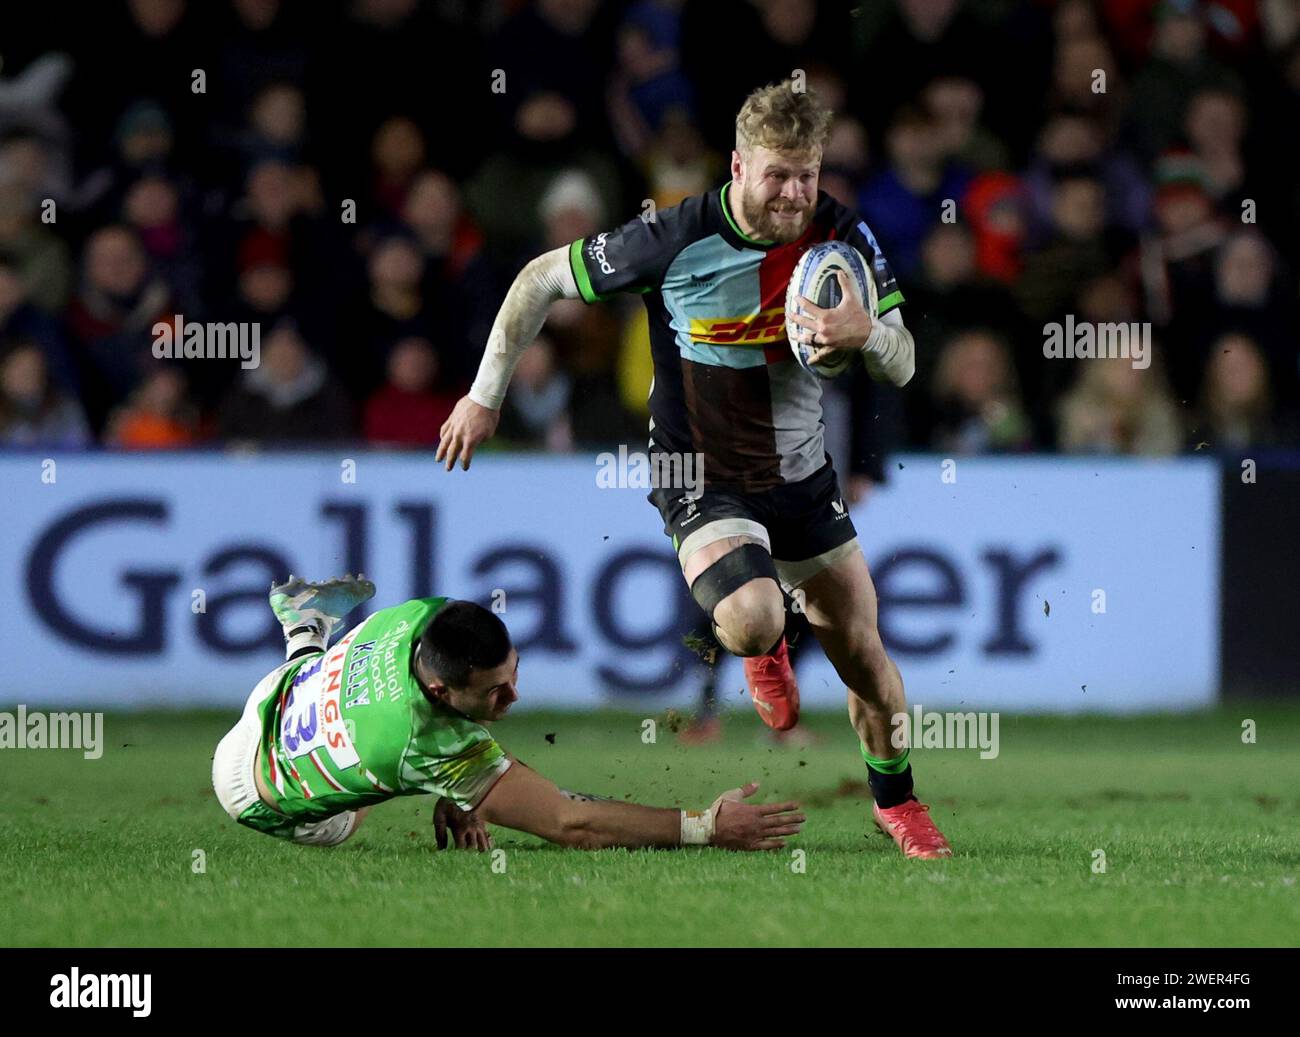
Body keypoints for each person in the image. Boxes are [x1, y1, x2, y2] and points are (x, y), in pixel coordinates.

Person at [437, 80, 951, 858]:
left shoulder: (842, 236)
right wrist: (483, 396)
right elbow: (539, 278)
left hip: (801, 476)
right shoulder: (671, 235)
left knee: (868, 662)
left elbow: (906, 363)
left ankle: (898, 802)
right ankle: (764, 643)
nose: (793, 191)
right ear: (738, 166)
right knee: (752, 617)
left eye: (806, 174)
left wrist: (866, 334)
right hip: (698, 470)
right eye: (777, 174)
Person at [212, 575, 803, 852]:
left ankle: (304, 631)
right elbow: (570, 823)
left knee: (399, 741)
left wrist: (471, 789)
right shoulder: (423, 736)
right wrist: (704, 827)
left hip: (281, 695)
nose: (512, 698)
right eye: (493, 693)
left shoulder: (426, 617)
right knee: (348, 820)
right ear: (441, 692)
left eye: (512, 673)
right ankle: (303, 629)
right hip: (255, 787)